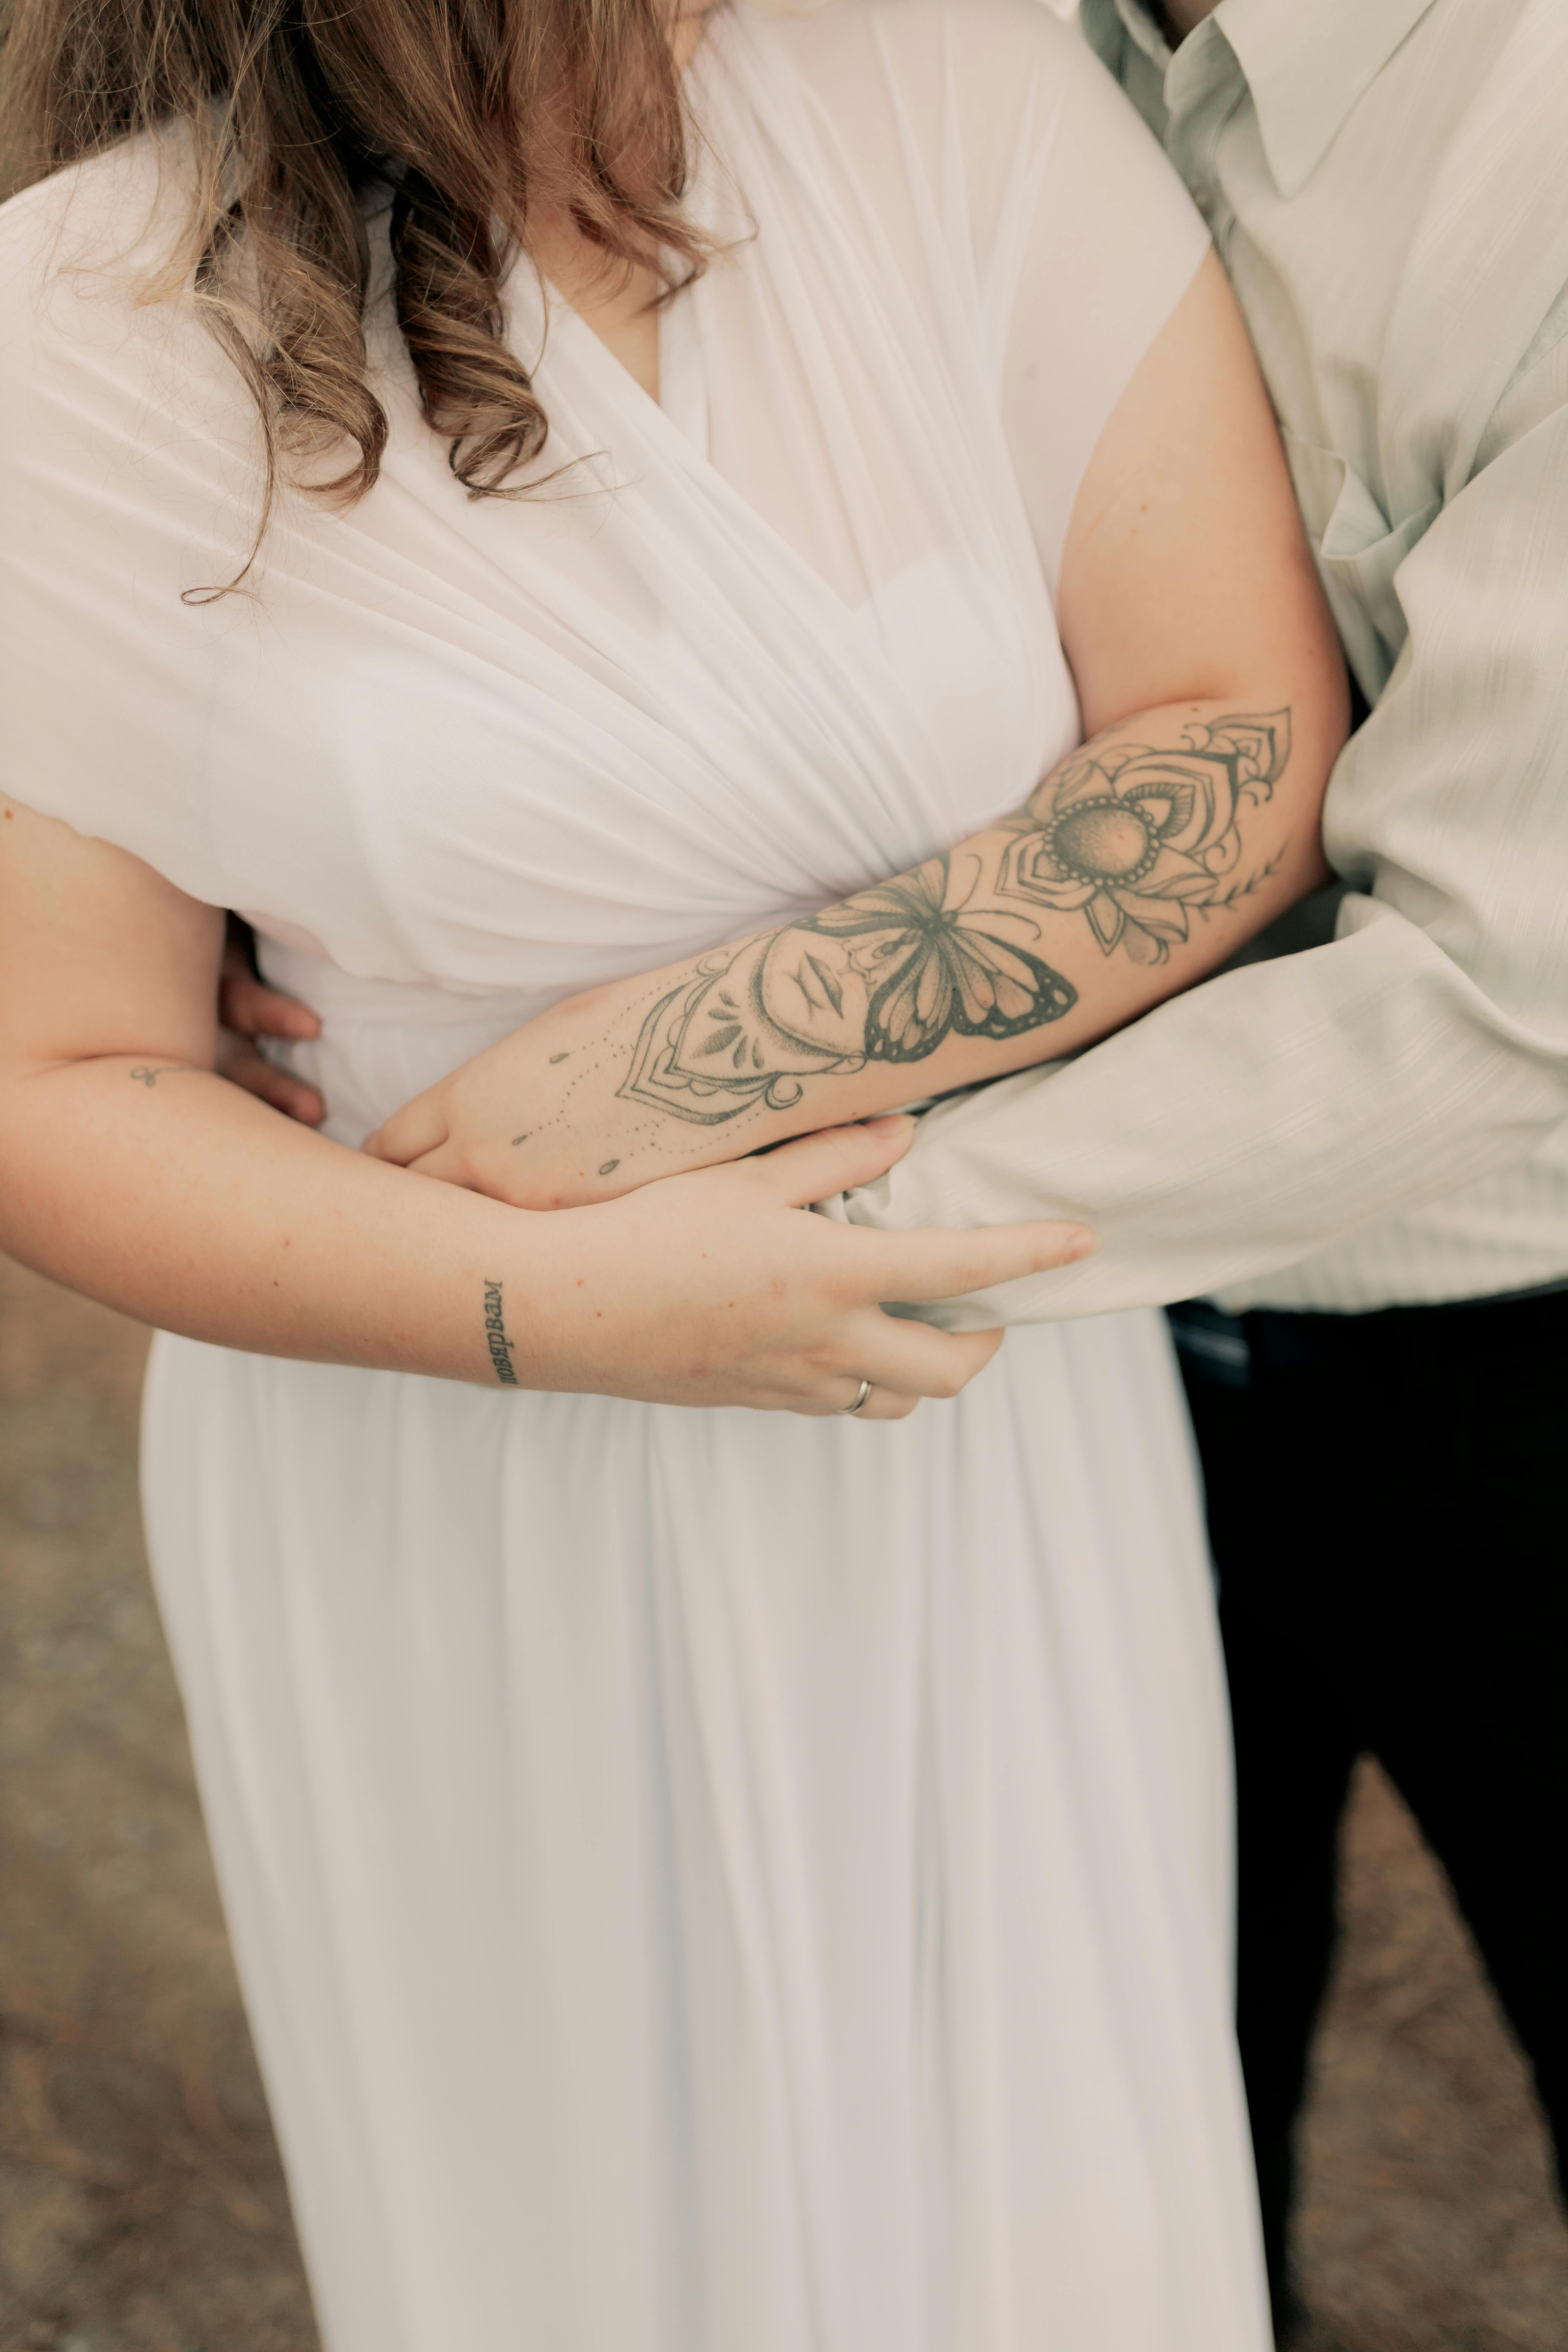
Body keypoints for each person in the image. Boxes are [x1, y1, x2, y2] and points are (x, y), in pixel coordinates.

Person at [0, 0, 1348, 2342]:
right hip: (448, 1457)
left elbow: (1233, 724)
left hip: (967, 1423)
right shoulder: (83, 333)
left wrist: (667, 1071)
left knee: (1056, 2226)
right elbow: (60, 1071)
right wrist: (548, 1306)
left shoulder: (963, 97)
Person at [671, 0, 1566, 2331]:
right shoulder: (940, 42)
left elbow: (1511, 996)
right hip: (1080, 1377)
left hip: (1517, 1351)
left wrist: (730, 1226)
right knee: (1093, 2170)